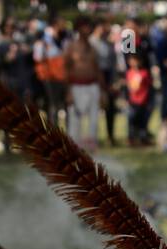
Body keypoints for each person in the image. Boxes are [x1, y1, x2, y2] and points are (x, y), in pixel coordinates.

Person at [64, 16, 101, 149]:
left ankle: (91, 145)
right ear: (78, 29)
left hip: (93, 86)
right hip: (76, 86)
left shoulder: (93, 46)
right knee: (75, 120)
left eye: (88, 27)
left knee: (94, 119)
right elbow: (66, 69)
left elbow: (97, 70)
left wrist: (103, 91)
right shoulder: (71, 47)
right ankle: (74, 148)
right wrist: (68, 91)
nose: (87, 29)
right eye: (84, 27)